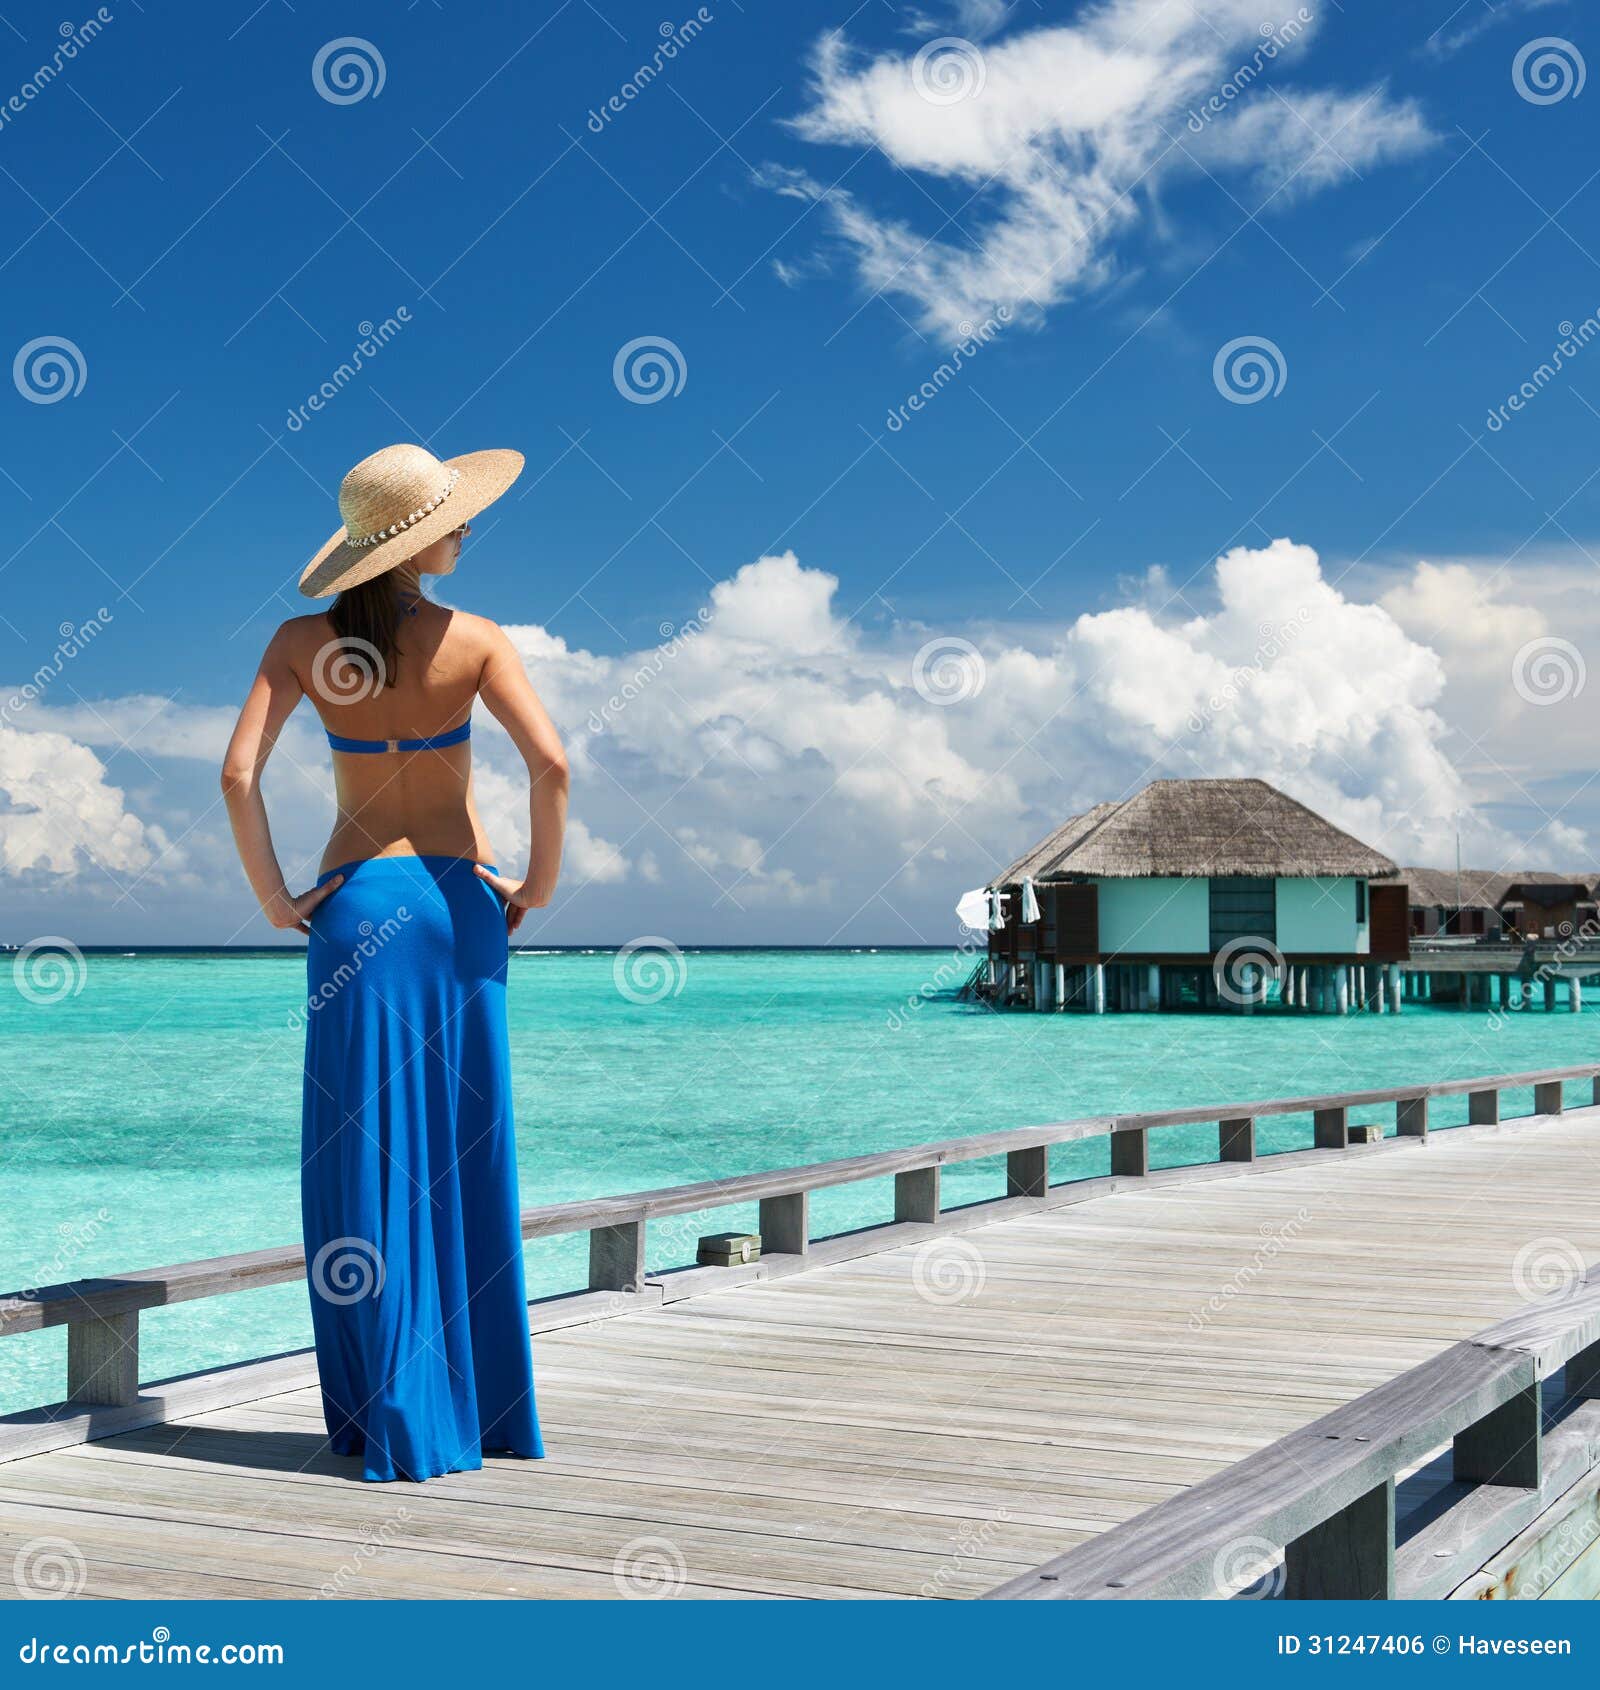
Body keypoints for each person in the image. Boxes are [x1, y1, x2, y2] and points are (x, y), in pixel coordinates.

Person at [220, 442, 569, 1482]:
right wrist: (538, 887)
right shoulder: (477, 640)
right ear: (416, 542)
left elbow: (237, 776)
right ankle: (482, 1410)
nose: (467, 530)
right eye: (454, 518)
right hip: (461, 907)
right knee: (465, 1153)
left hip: (355, 904)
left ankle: (390, 1410)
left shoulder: (300, 643)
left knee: (367, 1159)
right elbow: (551, 764)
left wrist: (274, 900)